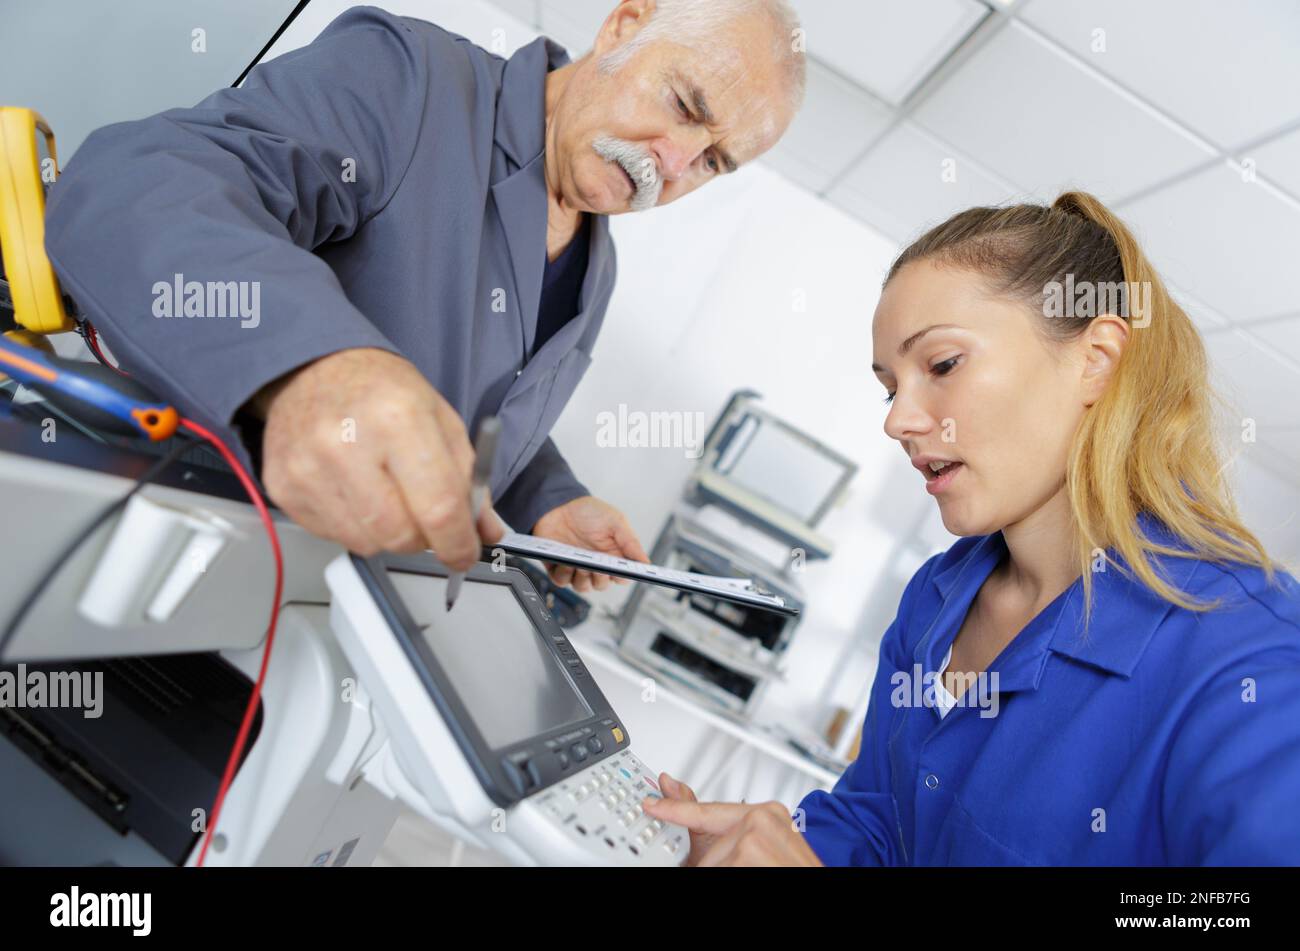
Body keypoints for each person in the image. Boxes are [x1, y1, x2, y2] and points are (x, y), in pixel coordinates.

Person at [42, 0, 805, 588]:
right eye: (681, 105)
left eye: (714, 162)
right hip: (142, 545)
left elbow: (477, 403)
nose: (673, 164)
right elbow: (138, 184)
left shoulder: (596, 269)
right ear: (624, 24)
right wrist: (314, 368)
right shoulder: (409, 81)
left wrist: (549, 501)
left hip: (328, 614)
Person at [644, 191, 1300, 865]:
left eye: (942, 365)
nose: (898, 420)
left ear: (1096, 360)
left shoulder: (1250, 655)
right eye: (890, 386)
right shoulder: (936, 598)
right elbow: (881, 824)